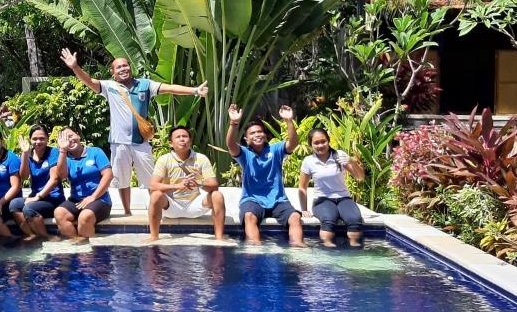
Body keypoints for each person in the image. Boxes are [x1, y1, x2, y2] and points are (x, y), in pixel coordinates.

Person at [60, 48, 208, 215]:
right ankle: (127, 212)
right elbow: (88, 81)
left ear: (130, 67)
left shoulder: (145, 85)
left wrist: (195, 90)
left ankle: (157, 211)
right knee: (122, 180)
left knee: (152, 180)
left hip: (141, 143)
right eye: (119, 67)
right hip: (119, 143)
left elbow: (170, 88)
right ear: (113, 72)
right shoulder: (109, 87)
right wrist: (75, 67)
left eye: (125, 65)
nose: (123, 69)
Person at [226, 104, 304, 247]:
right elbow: (231, 145)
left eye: (260, 132)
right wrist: (234, 123)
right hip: (252, 200)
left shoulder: (275, 149)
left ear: (265, 135)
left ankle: (298, 248)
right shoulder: (244, 154)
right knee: (249, 216)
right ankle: (255, 247)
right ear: (246, 139)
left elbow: (293, 144)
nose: (257, 134)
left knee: (294, 217)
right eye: (252, 133)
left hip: (278, 200)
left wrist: (289, 121)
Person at [148, 126, 226, 241]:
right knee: (155, 195)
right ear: (171, 143)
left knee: (217, 195)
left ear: (190, 141)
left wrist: (199, 183)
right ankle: (154, 238)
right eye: (178, 137)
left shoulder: (201, 158)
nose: (182, 139)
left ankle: (219, 238)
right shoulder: (164, 159)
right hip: (171, 206)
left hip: (195, 205)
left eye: (185, 136)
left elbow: (214, 185)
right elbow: (153, 186)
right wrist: (177, 186)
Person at [299, 126, 366, 247]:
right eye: (316, 143)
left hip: (343, 198)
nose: (320, 145)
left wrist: (351, 161)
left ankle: (355, 251)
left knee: (355, 220)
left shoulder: (339, 156)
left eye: (323, 141)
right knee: (328, 219)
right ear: (310, 145)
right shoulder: (308, 161)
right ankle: (328, 249)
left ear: (328, 141)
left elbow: (360, 177)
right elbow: (302, 187)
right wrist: (304, 210)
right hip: (322, 200)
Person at [53, 128, 113, 242]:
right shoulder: (65, 158)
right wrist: (63, 150)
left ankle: (87, 247)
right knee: (59, 213)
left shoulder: (95, 152)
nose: (69, 140)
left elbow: (108, 175)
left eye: (70, 136)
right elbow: (62, 176)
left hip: (100, 199)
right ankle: (77, 243)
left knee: (85, 217)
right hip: (76, 200)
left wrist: (93, 197)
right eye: (65, 139)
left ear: (78, 135)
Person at [9, 124, 64, 240]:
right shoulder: (28, 154)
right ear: (30, 139)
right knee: (14, 204)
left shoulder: (53, 152)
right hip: (35, 197)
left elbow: (54, 179)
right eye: (34, 139)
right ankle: (31, 234)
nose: (38, 142)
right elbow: (24, 176)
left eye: (42, 138)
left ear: (47, 139)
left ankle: (47, 236)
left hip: (53, 199)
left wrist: (37, 197)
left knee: (29, 208)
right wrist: (24, 154)